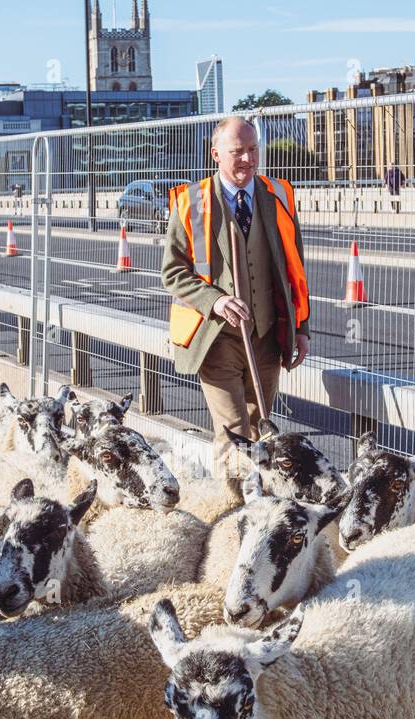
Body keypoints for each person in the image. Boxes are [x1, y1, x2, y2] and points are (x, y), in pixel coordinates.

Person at [161, 115, 310, 476]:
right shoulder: (191, 202)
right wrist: (216, 300)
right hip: (216, 339)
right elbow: (173, 272)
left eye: (253, 149)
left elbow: (296, 269)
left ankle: (259, 509)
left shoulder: (278, 196)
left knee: (262, 431)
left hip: (266, 337)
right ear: (215, 154)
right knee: (234, 433)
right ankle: (233, 513)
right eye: (237, 151)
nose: (247, 159)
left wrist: (302, 327)